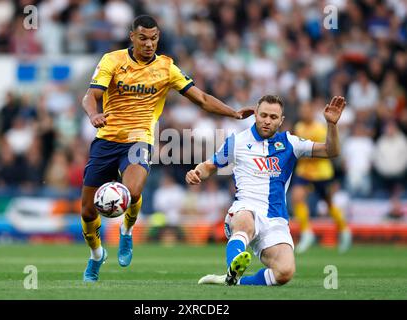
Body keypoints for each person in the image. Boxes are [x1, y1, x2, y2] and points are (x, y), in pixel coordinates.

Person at [80, 15, 253, 282]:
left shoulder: (167, 68)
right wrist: (94, 115)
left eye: (154, 38)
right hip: (106, 139)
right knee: (88, 211)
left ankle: (126, 232)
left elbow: (202, 99)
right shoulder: (112, 60)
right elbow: (90, 96)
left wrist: (233, 113)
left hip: (139, 139)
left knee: (133, 190)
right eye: (143, 38)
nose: (149, 44)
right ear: (132, 37)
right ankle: (96, 255)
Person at [187, 95, 346, 286]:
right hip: (245, 208)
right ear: (255, 114)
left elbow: (331, 150)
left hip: (275, 218)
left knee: (284, 273)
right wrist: (196, 172)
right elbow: (210, 166)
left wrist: (331, 125)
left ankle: (234, 281)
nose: (267, 121)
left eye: (273, 117)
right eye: (263, 115)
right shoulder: (237, 142)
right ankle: (233, 266)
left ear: (281, 121)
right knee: (245, 221)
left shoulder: (290, 143)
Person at [291, 101, 352, 254]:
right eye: (302, 110)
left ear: (312, 111)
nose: (304, 113)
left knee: (329, 203)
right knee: (297, 197)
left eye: (306, 109)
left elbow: (325, 150)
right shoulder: (299, 127)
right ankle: (306, 233)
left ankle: (344, 230)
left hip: (321, 172)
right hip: (304, 171)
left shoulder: (319, 128)